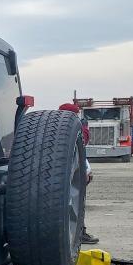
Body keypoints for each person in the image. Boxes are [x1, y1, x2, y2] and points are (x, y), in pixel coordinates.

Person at [59, 103, 99, 244]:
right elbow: (83, 142)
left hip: (57, 174)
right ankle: (79, 233)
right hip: (70, 174)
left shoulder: (52, 128)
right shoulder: (72, 129)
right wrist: (85, 128)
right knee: (74, 205)